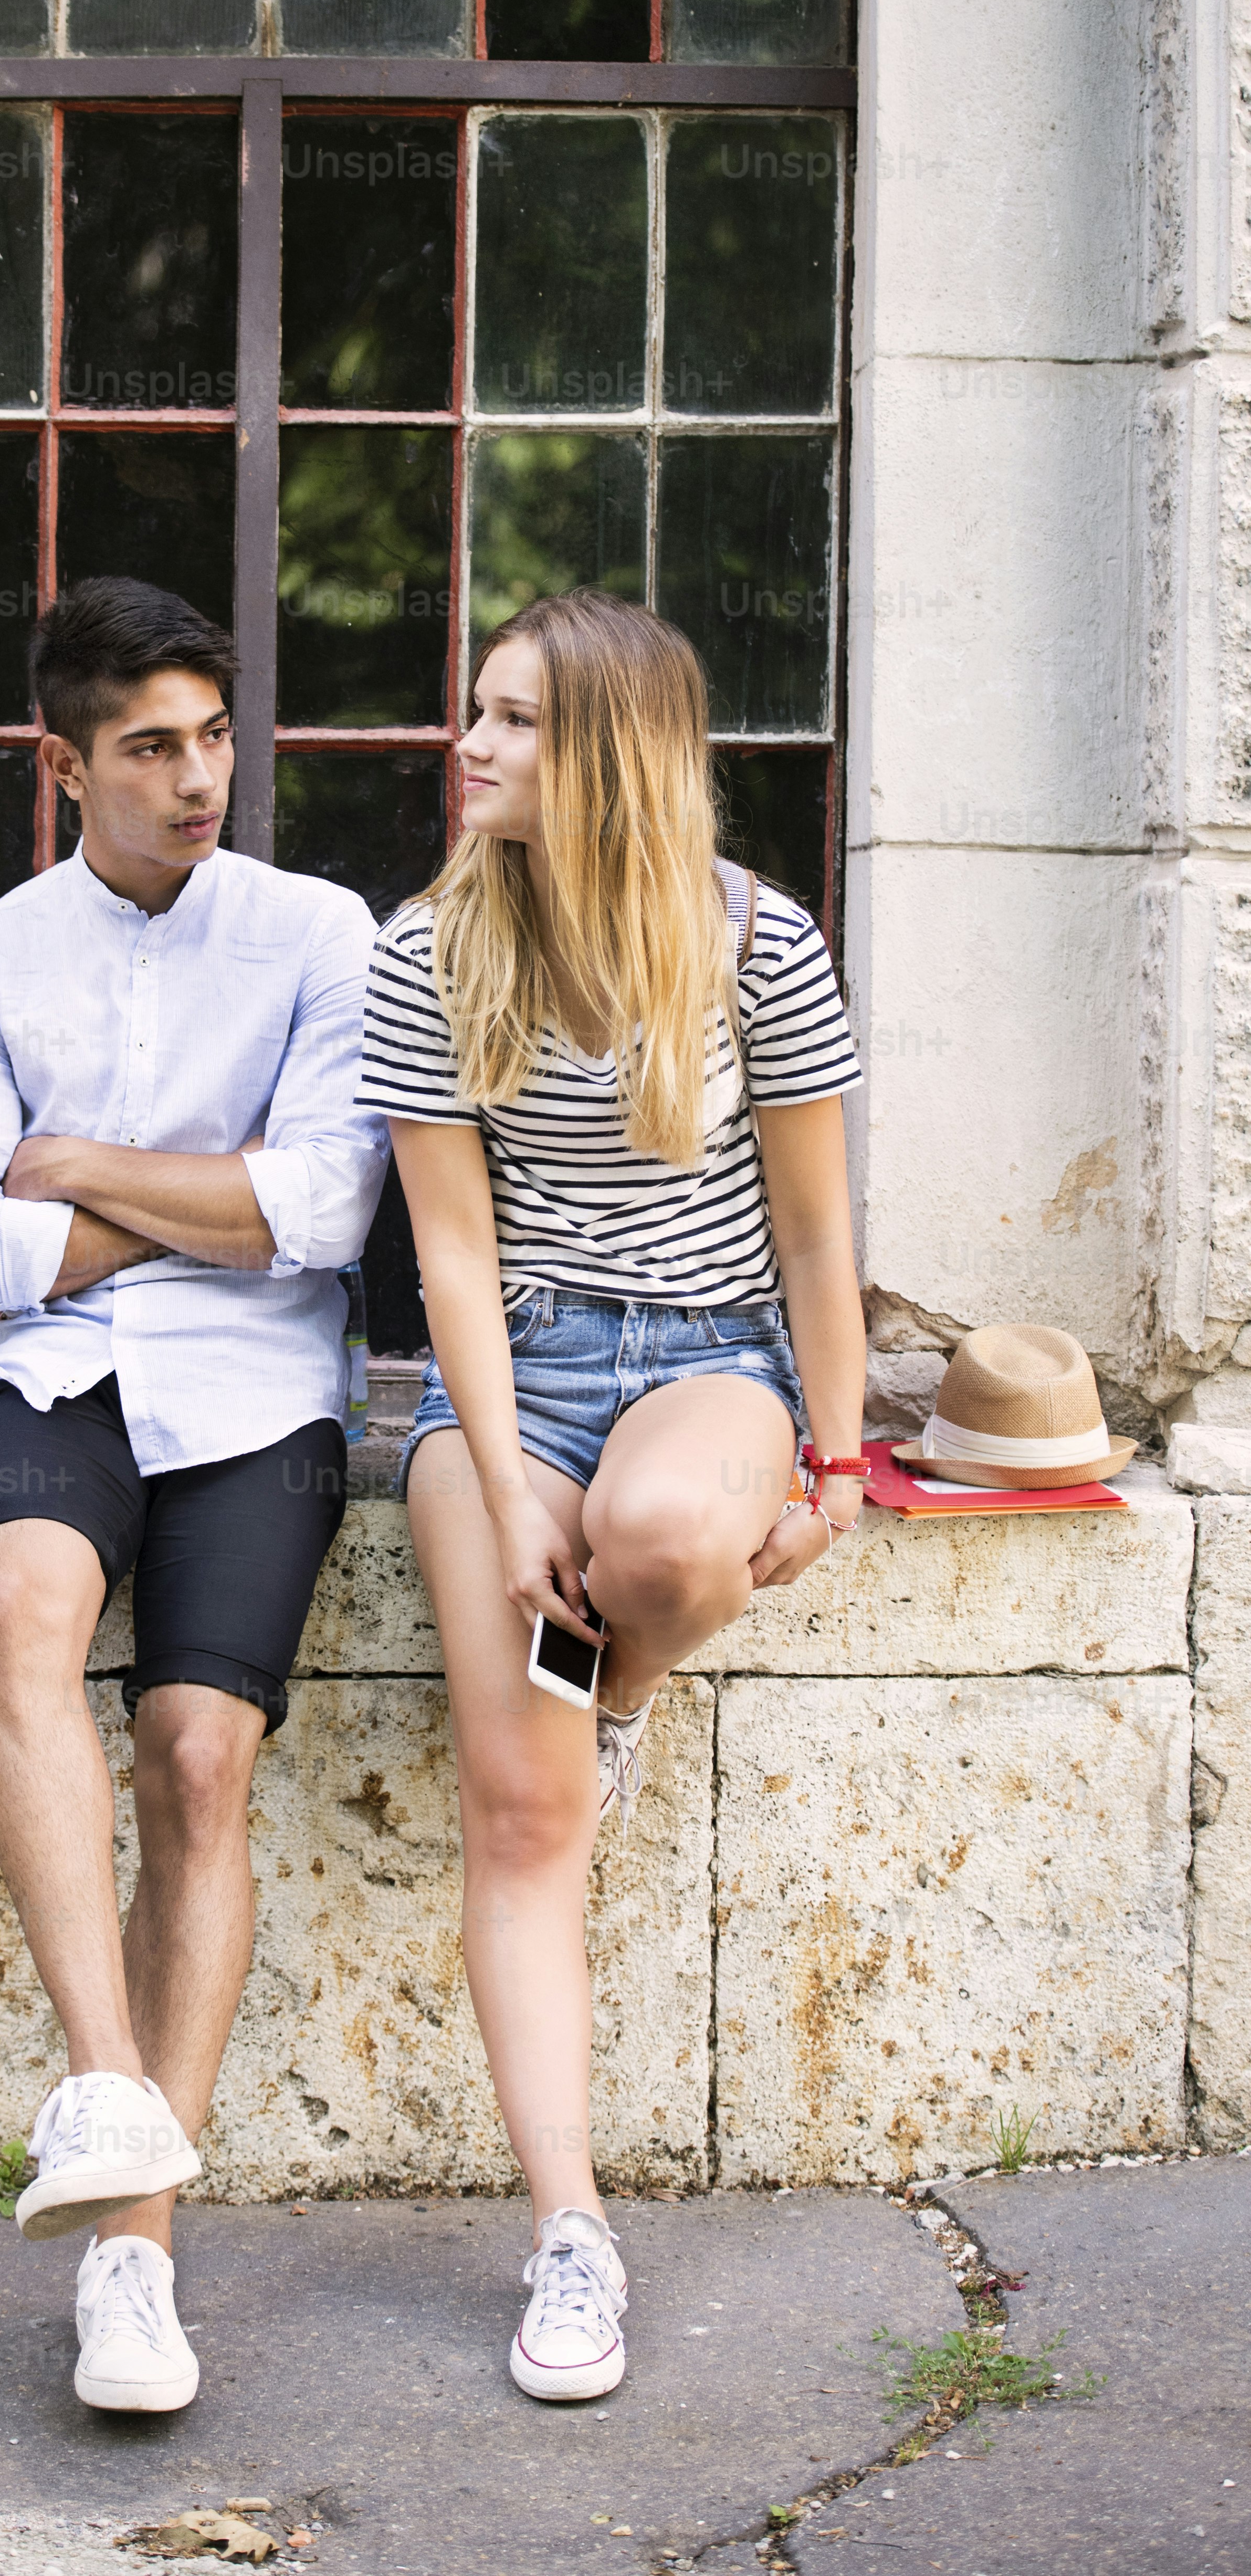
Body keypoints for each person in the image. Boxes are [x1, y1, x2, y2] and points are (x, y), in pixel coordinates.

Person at [356, 590, 866, 2404]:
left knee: (656, 1547)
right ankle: (573, 2235)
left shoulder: (754, 941)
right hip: (516, 1379)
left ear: (611, 751)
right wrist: (504, 1495)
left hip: (712, 1354)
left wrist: (837, 1448)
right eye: (475, 712)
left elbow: (812, 1225)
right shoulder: (427, 950)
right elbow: (453, 1258)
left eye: (513, 719)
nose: (471, 746)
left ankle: (611, 1699)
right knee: (519, 1816)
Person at [0, 576, 388, 2417]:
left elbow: (331, 1214)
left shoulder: (317, 932)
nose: (201, 779)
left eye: (215, 736)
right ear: (63, 765)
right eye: (151, 748)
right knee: (22, 1603)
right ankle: (108, 2101)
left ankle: (135, 2260)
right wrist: (210, 1194)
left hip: (261, 1393)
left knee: (197, 1755)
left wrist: (84, 1180)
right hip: (57, 1378)